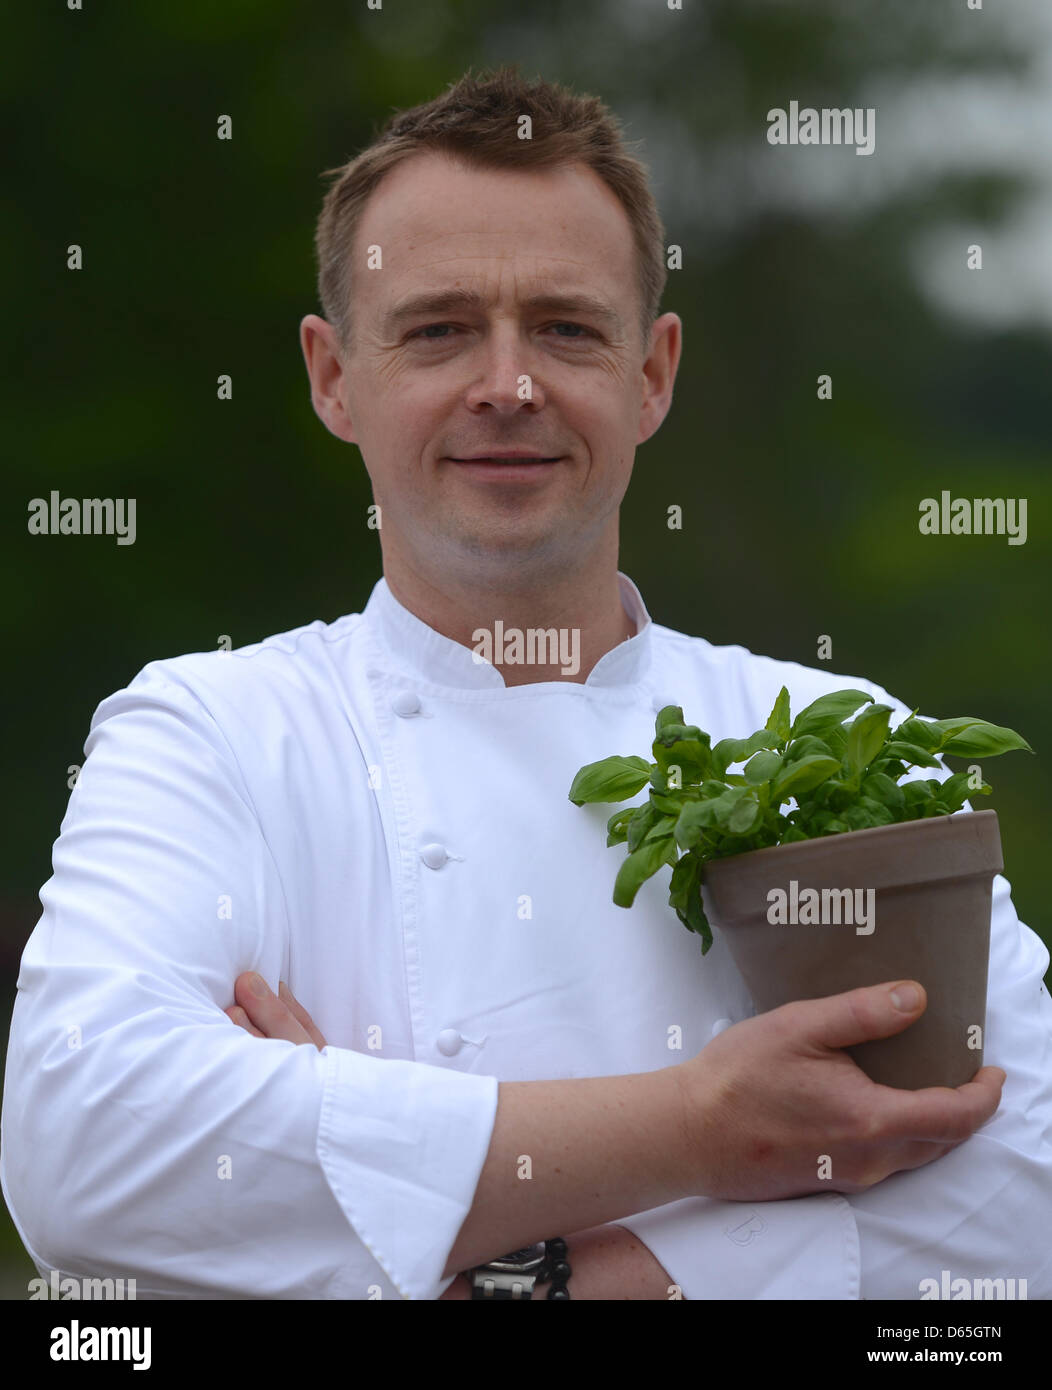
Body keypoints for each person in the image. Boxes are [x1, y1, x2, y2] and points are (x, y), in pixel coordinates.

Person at [3, 66, 1050, 1302]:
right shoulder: (209, 731)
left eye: (564, 326)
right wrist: (695, 1132)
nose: (508, 385)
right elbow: (84, 1147)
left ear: (651, 372)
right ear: (334, 376)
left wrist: (525, 1277)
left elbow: (1021, 1185)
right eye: (439, 328)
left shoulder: (843, 743)